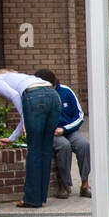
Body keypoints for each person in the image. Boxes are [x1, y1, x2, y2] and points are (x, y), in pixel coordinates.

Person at [0, 69, 60, 207]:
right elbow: (24, 112)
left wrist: (24, 118)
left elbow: (15, 95)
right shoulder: (17, 77)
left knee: (34, 151)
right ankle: (41, 197)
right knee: (45, 149)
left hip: (36, 97)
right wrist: (12, 138)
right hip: (53, 96)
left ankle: (31, 199)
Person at [34, 69, 91, 199]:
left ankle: (85, 185)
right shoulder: (38, 94)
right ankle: (65, 186)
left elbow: (79, 116)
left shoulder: (66, 91)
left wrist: (64, 129)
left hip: (68, 130)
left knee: (84, 145)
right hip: (51, 133)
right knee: (64, 146)